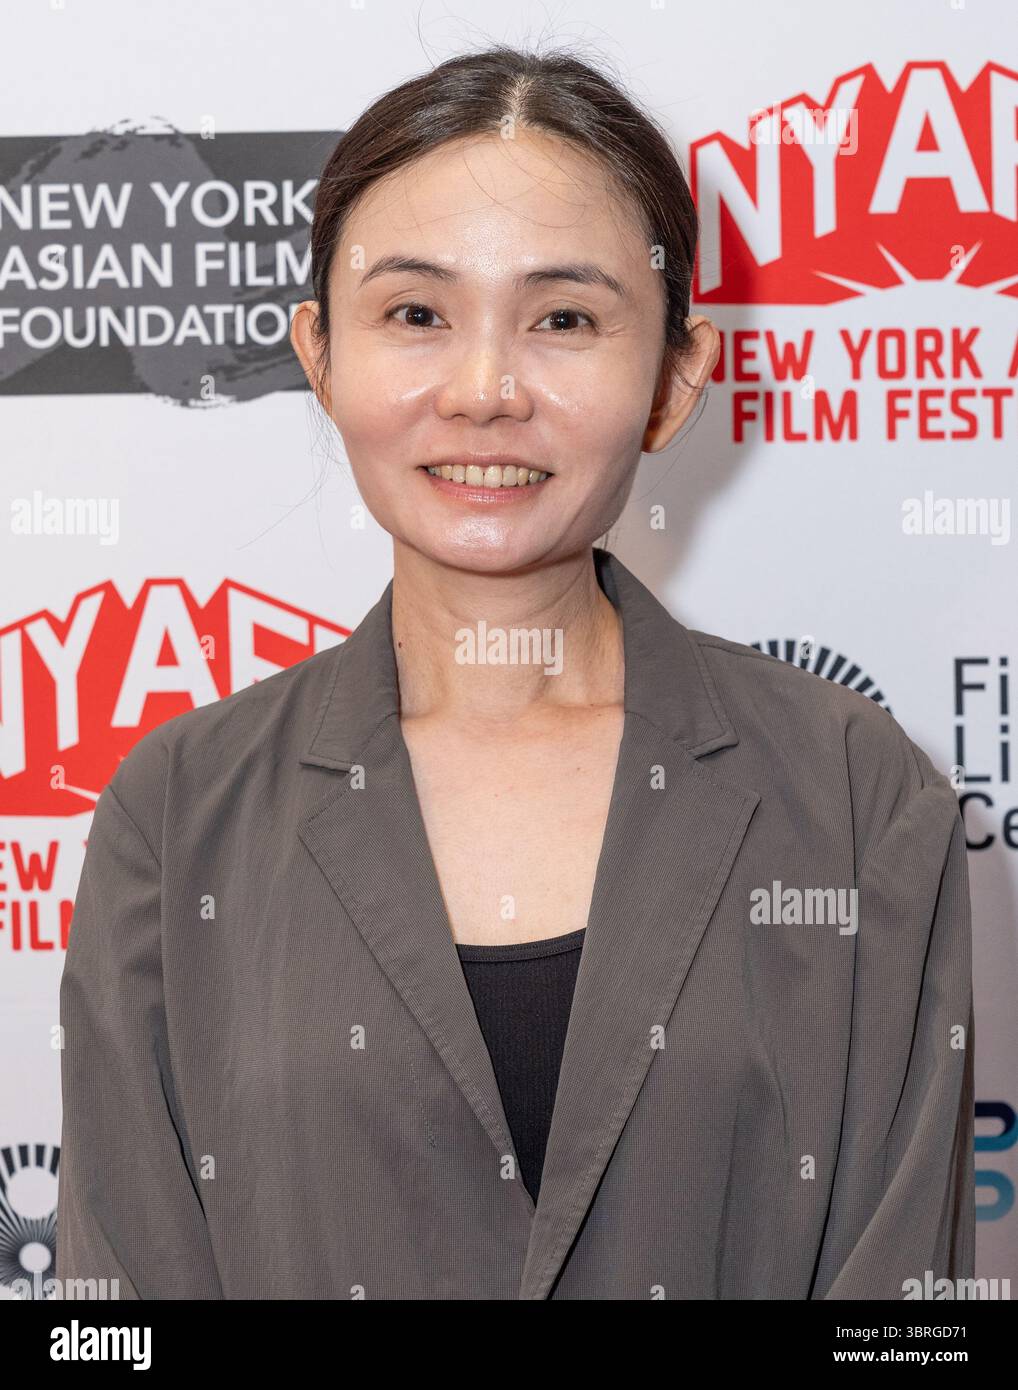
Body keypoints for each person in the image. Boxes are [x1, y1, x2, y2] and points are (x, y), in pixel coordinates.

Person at [57, 45, 974, 1300]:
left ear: (674, 378)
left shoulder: (852, 793)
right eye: (416, 314)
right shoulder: (178, 812)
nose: (485, 391)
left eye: (564, 320)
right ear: (319, 355)